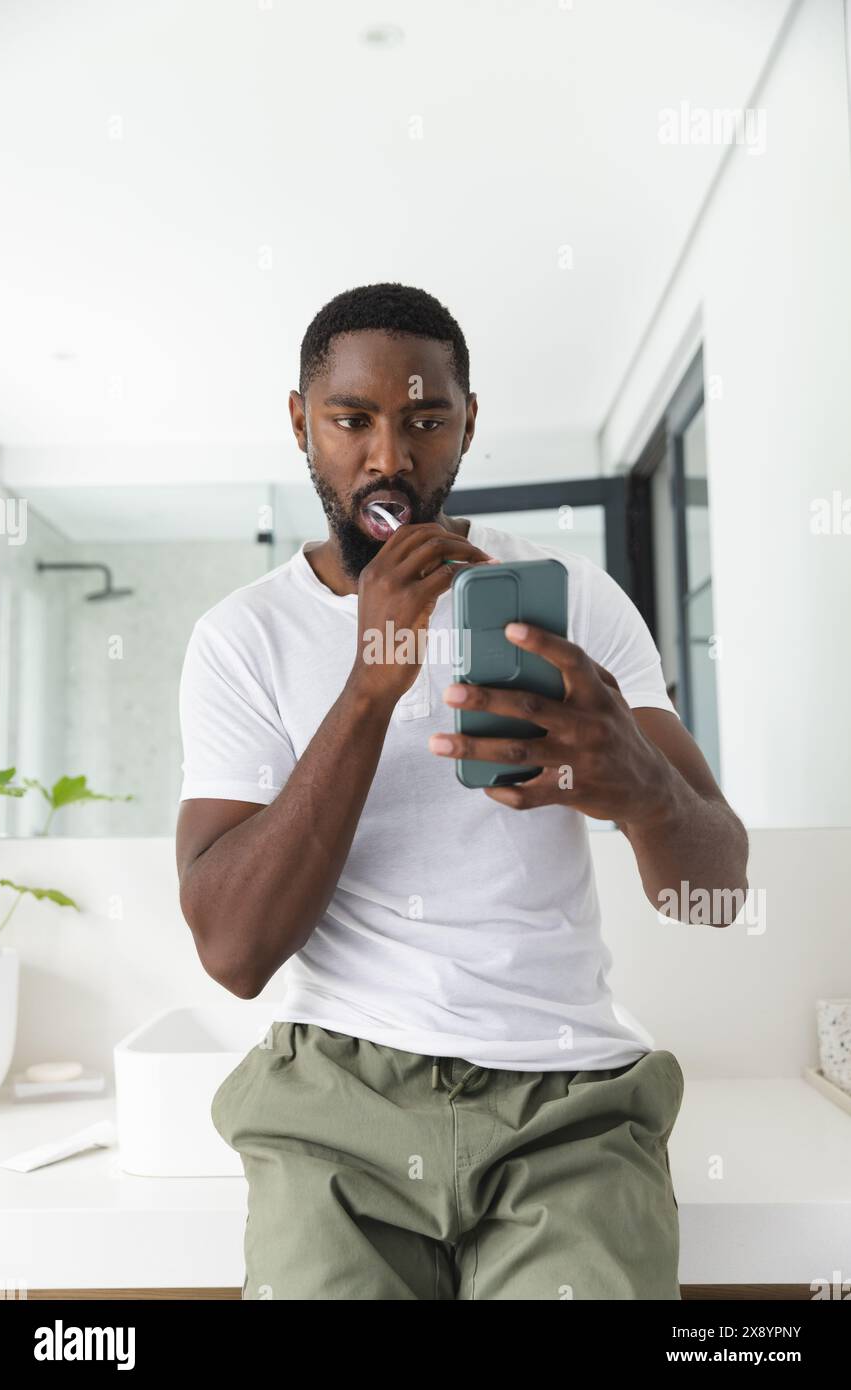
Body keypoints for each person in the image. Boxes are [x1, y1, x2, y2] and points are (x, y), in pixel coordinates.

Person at [176, 282, 748, 1300]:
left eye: (424, 419)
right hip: (334, 1117)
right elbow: (234, 952)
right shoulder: (241, 641)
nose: (388, 457)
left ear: (467, 424)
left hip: (567, 1109)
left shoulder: (577, 602)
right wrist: (371, 681)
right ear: (302, 423)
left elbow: (717, 886)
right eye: (352, 419)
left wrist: (642, 790)